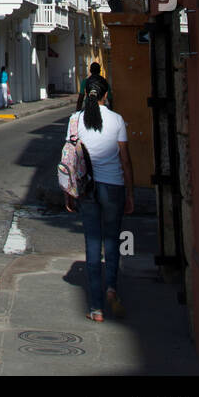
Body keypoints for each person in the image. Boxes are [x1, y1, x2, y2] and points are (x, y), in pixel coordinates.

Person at [64, 75, 134, 322]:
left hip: (87, 189)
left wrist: (69, 193)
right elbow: (125, 160)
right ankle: (112, 288)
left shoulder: (76, 120)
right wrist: (130, 193)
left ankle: (95, 308)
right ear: (106, 95)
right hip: (113, 186)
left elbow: (70, 160)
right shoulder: (117, 120)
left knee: (92, 245)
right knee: (113, 241)